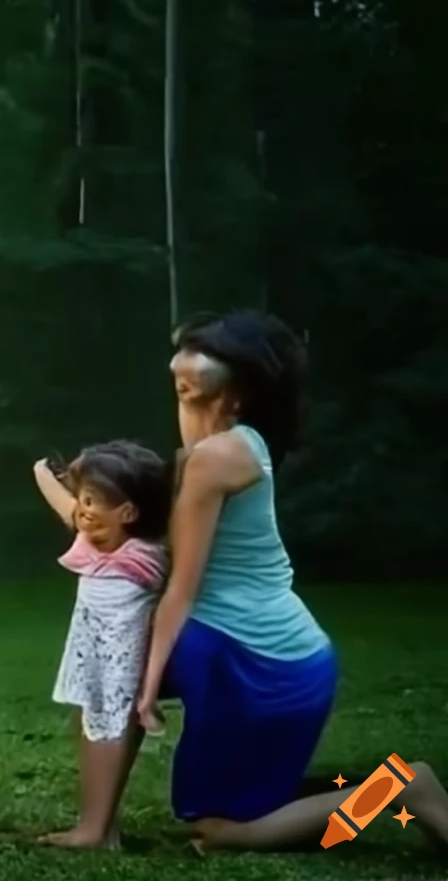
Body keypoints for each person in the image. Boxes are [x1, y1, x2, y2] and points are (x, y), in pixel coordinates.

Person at [135, 309, 448, 850]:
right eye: (176, 388)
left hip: (260, 663)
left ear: (233, 398)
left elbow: (182, 587)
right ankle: (396, 788)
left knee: (221, 829)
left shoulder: (218, 455)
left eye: (188, 391)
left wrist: (146, 687)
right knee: (254, 807)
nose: (178, 402)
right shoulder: (233, 446)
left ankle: (404, 788)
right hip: (278, 655)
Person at [32, 441, 172, 848]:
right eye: (82, 499)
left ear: (127, 513)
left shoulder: (146, 554)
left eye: (92, 500)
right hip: (87, 651)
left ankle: (94, 830)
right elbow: (67, 506)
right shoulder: (91, 538)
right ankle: (99, 823)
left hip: (118, 660)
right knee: (86, 723)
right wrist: (44, 474)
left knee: (110, 728)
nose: (82, 509)